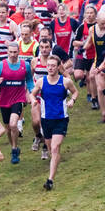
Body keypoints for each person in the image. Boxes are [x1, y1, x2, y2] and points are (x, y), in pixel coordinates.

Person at [30, 55, 77, 191]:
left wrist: (72, 100)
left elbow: (75, 92)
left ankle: (50, 180)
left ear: (58, 67)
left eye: (53, 66)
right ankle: (54, 162)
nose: (50, 68)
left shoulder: (65, 82)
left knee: (55, 148)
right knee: (51, 150)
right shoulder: (41, 82)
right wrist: (33, 100)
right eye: (48, 65)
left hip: (61, 119)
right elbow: (32, 94)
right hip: (46, 120)